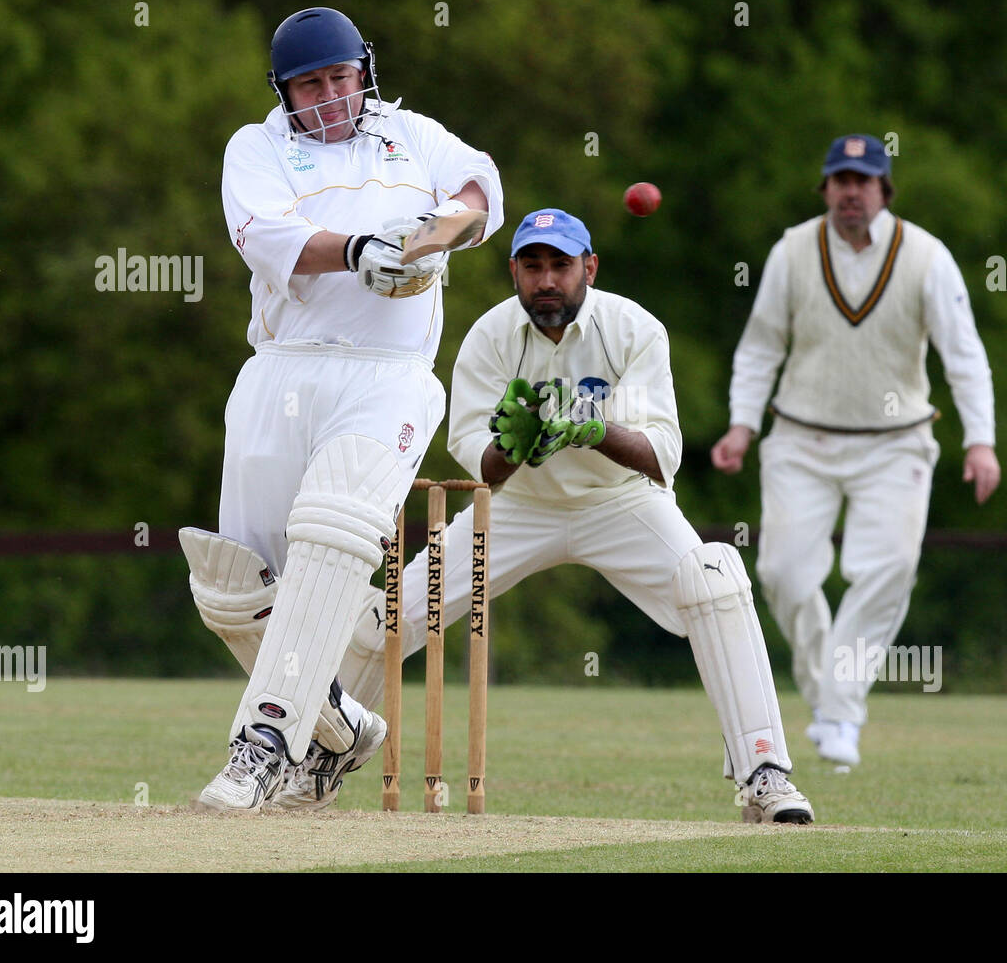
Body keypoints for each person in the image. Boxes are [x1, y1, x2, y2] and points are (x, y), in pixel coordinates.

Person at [337, 208, 814, 823]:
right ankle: (312, 762)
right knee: (386, 617)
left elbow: (659, 456)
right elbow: (482, 469)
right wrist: (515, 444)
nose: (546, 281)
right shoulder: (489, 336)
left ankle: (764, 772)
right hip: (518, 508)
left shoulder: (632, 329)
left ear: (589, 266)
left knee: (715, 576)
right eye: (532, 266)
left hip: (619, 501)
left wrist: (593, 429)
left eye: (560, 265)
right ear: (513, 271)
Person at [180, 6, 503, 813]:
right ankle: (341, 723)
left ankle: (263, 744)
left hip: (389, 376)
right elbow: (265, 236)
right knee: (229, 588)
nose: (328, 96)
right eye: (309, 84)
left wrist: (436, 233)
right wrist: (363, 251)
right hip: (280, 369)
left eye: (339, 78)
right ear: (284, 90)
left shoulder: (413, 136)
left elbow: (479, 192)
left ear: (365, 71)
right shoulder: (257, 148)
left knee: (333, 529)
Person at [710, 134, 999, 768]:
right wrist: (741, 426)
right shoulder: (792, 250)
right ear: (826, 188)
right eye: (839, 179)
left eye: (862, 180)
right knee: (783, 573)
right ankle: (831, 701)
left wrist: (980, 440)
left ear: (882, 189)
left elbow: (964, 353)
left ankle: (840, 712)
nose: (850, 191)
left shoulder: (925, 256)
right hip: (800, 437)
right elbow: (761, 346)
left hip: (896, 444)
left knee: (889, 566)